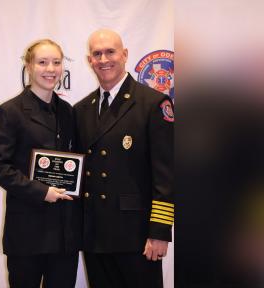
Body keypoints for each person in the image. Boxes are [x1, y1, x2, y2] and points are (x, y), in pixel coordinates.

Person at [74, 29, 174, 288]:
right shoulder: (81, 110)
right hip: (95, 233)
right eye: (97, 53)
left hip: (137, 236)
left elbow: (167, 174)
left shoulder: (152, 103)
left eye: (110, 51)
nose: (104, 59)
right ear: (89, 60)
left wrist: (159, 231)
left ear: (125, 54)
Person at [0, 39, 82, 288]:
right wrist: (42, 192)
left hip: (64, 234)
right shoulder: (9, 112)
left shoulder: (68, 112)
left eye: (56, 62)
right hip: (27, 232)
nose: (50, 69)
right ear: (29, 66)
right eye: (42, 62)